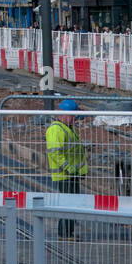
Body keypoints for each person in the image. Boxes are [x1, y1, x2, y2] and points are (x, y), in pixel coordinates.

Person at [45, 98, 88, 238]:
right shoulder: (56, 130)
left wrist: (79, 170)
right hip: (64, 174)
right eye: (72, 115)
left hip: (71, 174)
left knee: (72, 204)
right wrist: (68, 167)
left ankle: (67, 232)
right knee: (68, 205)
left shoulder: (68, 128)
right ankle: (64, 233)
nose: (74, 118)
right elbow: (55, 152)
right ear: (64, 114)